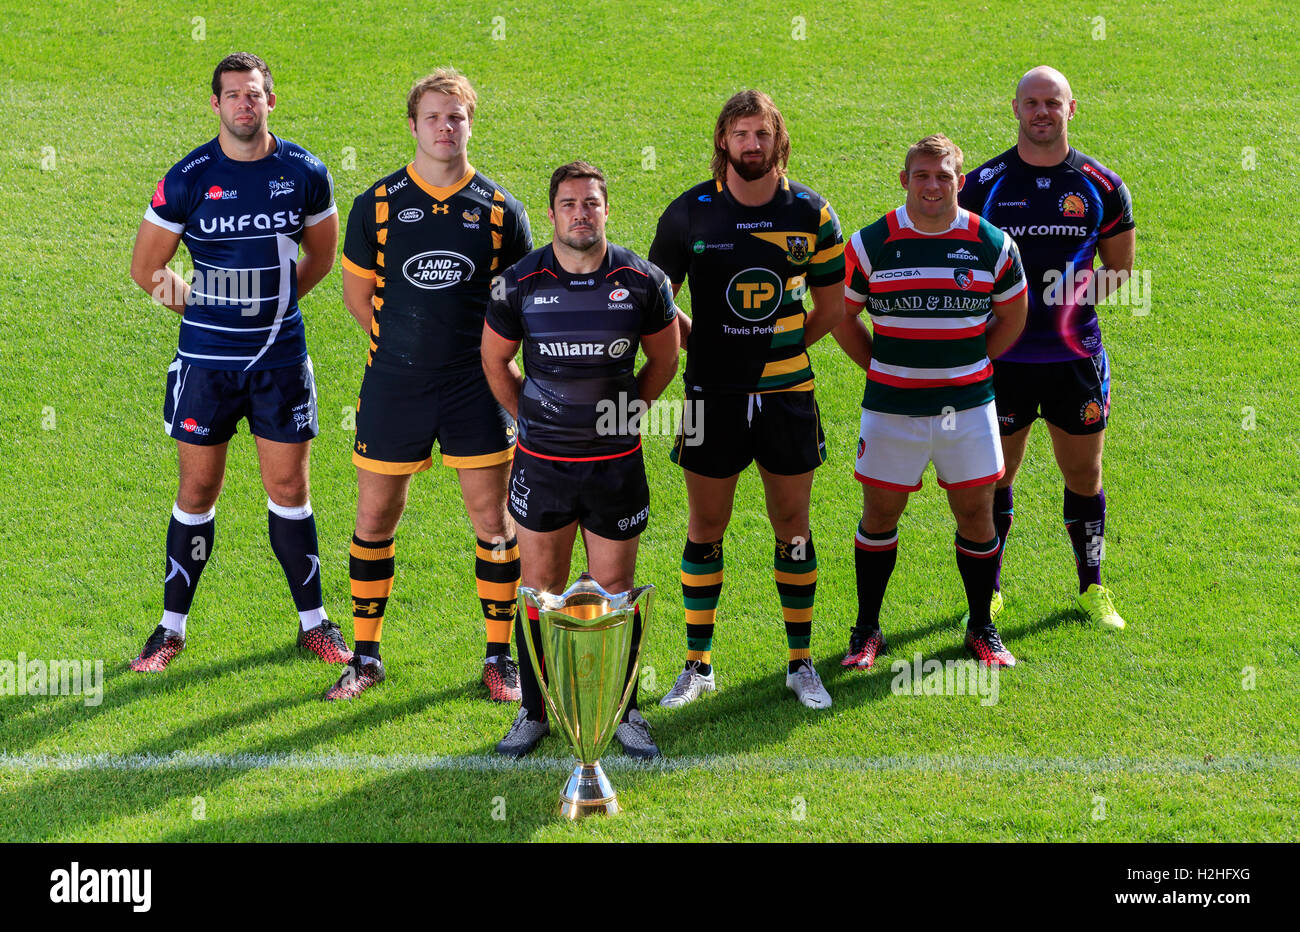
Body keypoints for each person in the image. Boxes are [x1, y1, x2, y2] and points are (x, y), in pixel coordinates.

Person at [128, 53, 343, 672]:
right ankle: (170, 630)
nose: (244, 105)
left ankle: (314, 625)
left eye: (254, 94)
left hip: (280, 363)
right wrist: (206, 314)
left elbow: (321, 258)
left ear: (271, 101)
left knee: (289, 489)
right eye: (233, 96)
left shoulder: (304, 171)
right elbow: (147, 270)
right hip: (205, 366)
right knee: (197, 490)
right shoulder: (189, 176)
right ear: (216, 105)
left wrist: (271, 311)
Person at [326, 69, 534, 701]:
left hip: (476, 388)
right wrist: (407, 347)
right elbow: (358, 298)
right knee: (376, 514)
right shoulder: (377, 204)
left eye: (457, 117)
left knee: (492, 520)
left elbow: (514, 309)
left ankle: (499, 657)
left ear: (471, 124)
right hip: (395, 386)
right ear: (413, 126)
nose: (447, 127)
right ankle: (365, 656)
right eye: (435, 117)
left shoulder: (501, 211)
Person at [647, 90, 844, 710]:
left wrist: (777, 349)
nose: (751, 145)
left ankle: (800, 662)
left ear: (777, 140)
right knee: (707, 526)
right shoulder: (689, 214)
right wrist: (703, 344)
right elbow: (657, 301)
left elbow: (832, 309)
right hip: (712, 396)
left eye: (761, 134)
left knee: (793, 527)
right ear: (723, 141)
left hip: (788, 396)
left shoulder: (813, 212)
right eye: (740, 134)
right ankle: (698, 664)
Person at [481, 161, 680, 757]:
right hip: (541, 465)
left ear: (606, 209)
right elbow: (495, 362)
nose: (580, 213)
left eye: (591, 203)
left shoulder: (644, 281)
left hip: (616, 465)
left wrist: (625, 415)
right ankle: (535, 712)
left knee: (616, 589)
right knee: (541, 591)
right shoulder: (517, 282)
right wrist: (531, 420)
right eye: (569, 204)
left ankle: (624, 713)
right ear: (551, 213)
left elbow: (664, 362)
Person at [836, 134, 1028, 668]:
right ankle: (867, 629)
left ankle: (981, 626)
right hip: (891, 410)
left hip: (967, 409)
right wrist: (881, 365)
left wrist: (971, 366)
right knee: (880, 513)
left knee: (976, 511)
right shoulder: (871, 243)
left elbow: (1014, 316)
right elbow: (842, 316)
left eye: (944, 176)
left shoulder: (992, 243)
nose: (932, 185)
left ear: (960, 182)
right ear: (904, 180)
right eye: (921, 175)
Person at [958, 66, 1135, 630]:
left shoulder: (1101, 186)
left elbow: (1120, 269)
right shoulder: (981, 185)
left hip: (1074, 360)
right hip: (1002, 362)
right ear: (1015, 109)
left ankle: (1093, 588)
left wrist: (1069, 297)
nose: (1041, 112)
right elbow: (953, 261)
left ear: (1071, 109)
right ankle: (990, 592)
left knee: (1085, 477)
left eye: (1051, 103)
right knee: (994, 477)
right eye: (1031, 103)